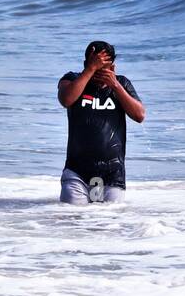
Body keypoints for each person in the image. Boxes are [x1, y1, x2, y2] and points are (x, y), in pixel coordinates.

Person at [57, 41, 145, 203]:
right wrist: (90, 70)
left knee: (107, 223)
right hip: (77, 172)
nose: (100, 75)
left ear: (112, 68)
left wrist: (115, 86)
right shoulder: (71, 80)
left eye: (104, 70)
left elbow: (139, 115)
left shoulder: (122, 84)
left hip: (112, 174)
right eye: (96, 70)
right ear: (86, 64)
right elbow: (66, 100)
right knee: (71, 220)